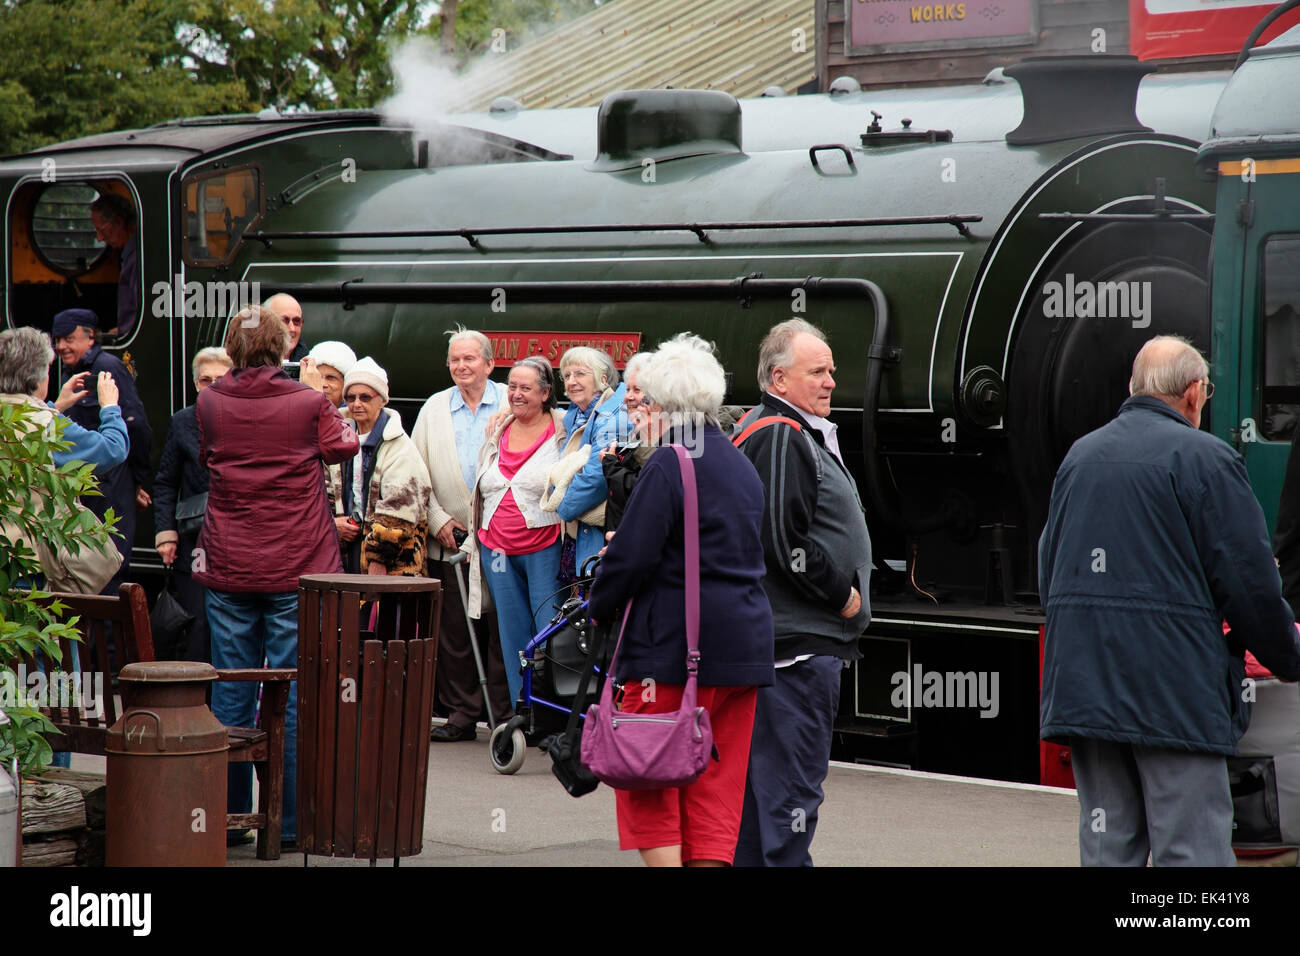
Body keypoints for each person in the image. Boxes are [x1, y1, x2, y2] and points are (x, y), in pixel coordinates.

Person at [1039, 335, 1300, 866]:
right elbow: (1249, 585)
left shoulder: (1080, 457)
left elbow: (1051, 572)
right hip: (1173, 694)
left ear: (1134, 388)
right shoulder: (1206, 459)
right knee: (1191, 850)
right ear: (1194, 393)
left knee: (1109, 845)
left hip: (1087, 687)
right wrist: (1288, 656)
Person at [589, 334, 773, 867]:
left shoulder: (671, 461)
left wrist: (600, 603)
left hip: (673, 651)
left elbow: (631, 557)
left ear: (662, 403)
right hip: (742, 651)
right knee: (715, 779)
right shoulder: (739, 463)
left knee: (648, 773)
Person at [194, 305, 359, 850]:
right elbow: (344, 447)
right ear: (282, 348)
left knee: (232, 692)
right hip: (298, 567)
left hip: (229, 565)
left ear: (233, 349)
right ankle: (288, 825)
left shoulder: (210, 400)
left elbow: (208, 454)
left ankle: (232, 818)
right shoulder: (309, 400)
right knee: (292, 692)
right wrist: (318, 391)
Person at [732, 318, 871, 867]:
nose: (831, 381)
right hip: (797, 651)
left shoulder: (771, 428)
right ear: (779, 378)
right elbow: (780, 540)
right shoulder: (780, 435)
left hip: (783, 647)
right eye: (817, 371)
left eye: (832, 370)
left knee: (762, 796)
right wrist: (844, 597)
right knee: (790, 795)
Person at [412, 327, 513, 742]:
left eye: (469, 359)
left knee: (500, 624)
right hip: (450, 537)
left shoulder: (511, 399)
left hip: (503, 536)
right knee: (455, 631)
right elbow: (414, 474)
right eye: (454, 359)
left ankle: (504, 713)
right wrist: (438, 521)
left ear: (489, 363)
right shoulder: (434, 408)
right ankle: (461, 713)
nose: (460, 366)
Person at [465, 356, 567, 705]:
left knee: (549, 628)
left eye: (526, 388)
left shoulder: (565, 427)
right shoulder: (498, 426)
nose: (517, 394)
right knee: (512, 634)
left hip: (544, 545)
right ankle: (523, 710)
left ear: (545, 393)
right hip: (496, 549)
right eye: (512, 387)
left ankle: (554, 709)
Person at [52, 308, 152, 591]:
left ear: (91, 337)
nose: (61, 346)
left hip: (111, 489)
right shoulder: (71, 372)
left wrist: (137, 479)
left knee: (109, 572)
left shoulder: (109, 368)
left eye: (69, 338)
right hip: (83, 491)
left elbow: (137, 425)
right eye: (58, 340)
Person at [152, 347, 232, 662]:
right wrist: (166, 532)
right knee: (198, 626)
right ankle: (197, 705)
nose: (212, 386)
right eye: (205, 380)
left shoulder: (247, 419)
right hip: (194, 542)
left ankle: (229, 708)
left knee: (231, 629)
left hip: (238, 540)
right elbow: (166, 481)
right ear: (196, 383)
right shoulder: (183, 421)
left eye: (220, 379)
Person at [327, 357, 431, 576]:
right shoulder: (337, 439)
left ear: (382, 400)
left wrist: (378, 559)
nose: (356, 404)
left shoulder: (400, 446)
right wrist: (332, 524)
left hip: (393, 561)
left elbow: (399, 511)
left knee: (384, 611)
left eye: (365, 397)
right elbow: (322, 492)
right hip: (343, 551)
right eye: (351, 397)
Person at [553, 346, 629, 574]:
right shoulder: (574, 415)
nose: (572, 381)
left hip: (599, 535)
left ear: (602, 378)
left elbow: (595, 478)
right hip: (578, 532)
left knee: (592, 599)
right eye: (567, 376)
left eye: (580, 374)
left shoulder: (613, 419)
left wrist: (562, 507)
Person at [599, 349, 655, 532]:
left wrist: (610, 465)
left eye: (637, 390)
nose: (628, 396)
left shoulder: (660, 437)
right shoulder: (636, 429)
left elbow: (642, 489)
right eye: (627, 389)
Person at [89, 193, 139, 339]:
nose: (99, 238)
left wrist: (124, 331)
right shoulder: (130, 255)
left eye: (101, 230)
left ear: (118, 223)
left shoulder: (137, 260)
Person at [305, 340, 357, 409]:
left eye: (330, 378)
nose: (323, 384)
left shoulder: (356, 417)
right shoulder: (301, 413)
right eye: (318, 377)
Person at [264, 293, 307, 361]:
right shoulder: (246, 365)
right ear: (265, 323)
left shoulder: (312, 365)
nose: (292, 329)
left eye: (296, 321)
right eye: (283, 320)